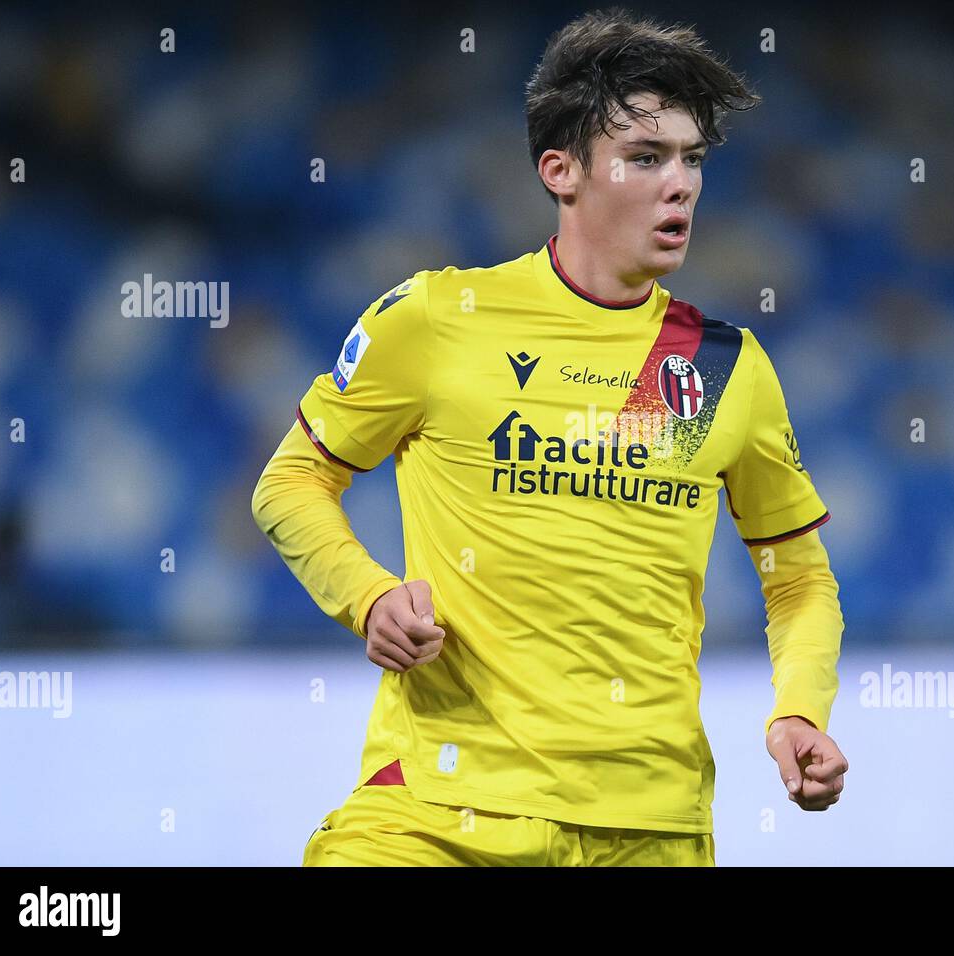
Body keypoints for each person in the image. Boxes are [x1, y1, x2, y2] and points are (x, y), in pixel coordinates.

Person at [252, 7, 847, 867]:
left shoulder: (716, 366)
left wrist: (799, 709)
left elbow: (796, 576)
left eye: (692, 160)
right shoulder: (438, 318)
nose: (679, 183)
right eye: (646, 158)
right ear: (561, 172)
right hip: (436, 808)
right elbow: (290, 482)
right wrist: (369, 595)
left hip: (647, 822)